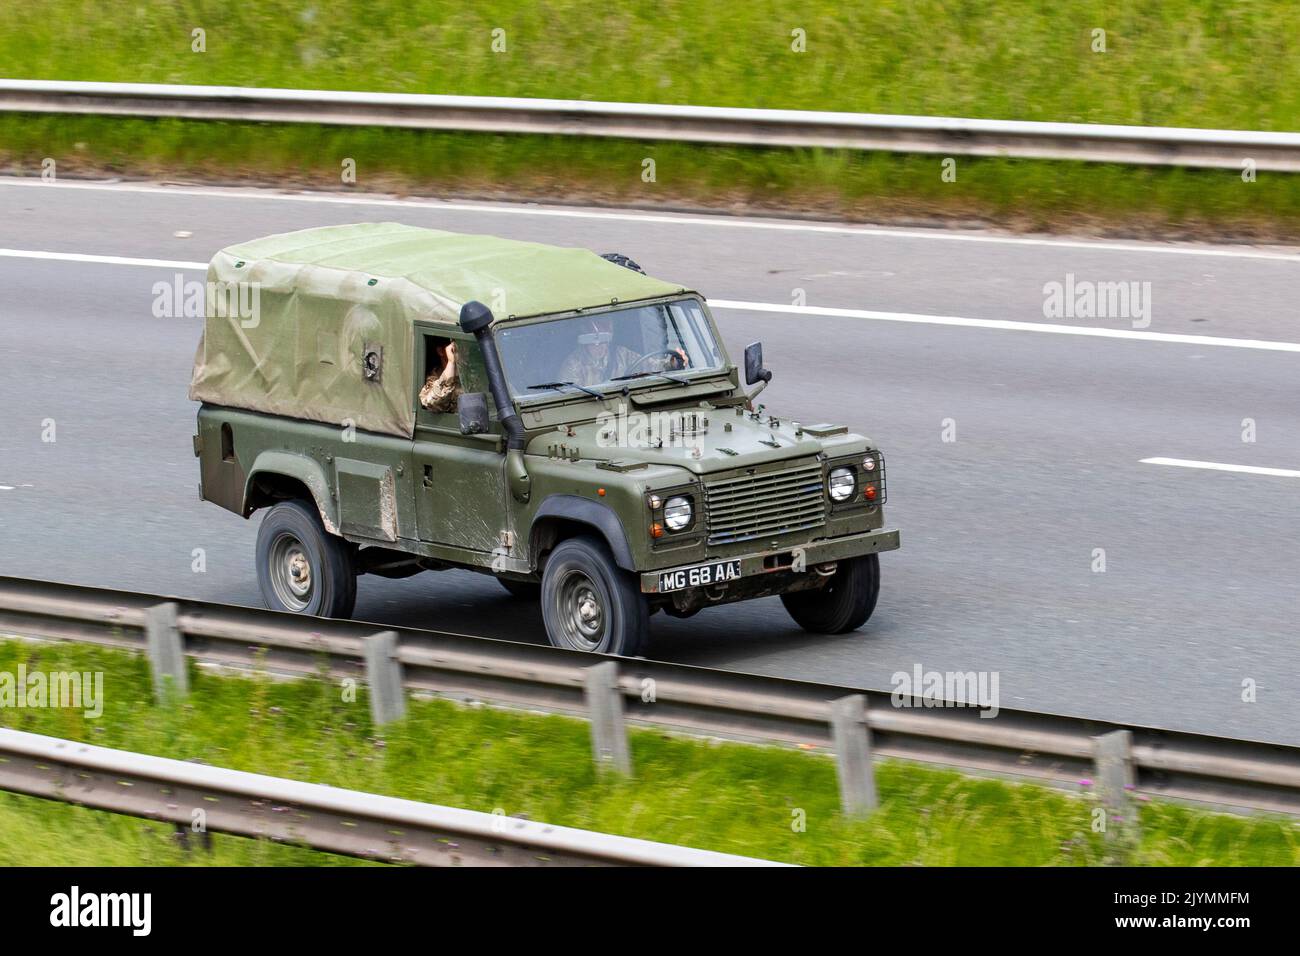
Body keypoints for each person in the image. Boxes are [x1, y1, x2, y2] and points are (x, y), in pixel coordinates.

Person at [419, 339, 461, 413]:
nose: (460, 353)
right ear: (440, 351)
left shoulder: (472, 374)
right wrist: (451, 362)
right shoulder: (434, 376)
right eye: (455, 349)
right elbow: (432, 404)